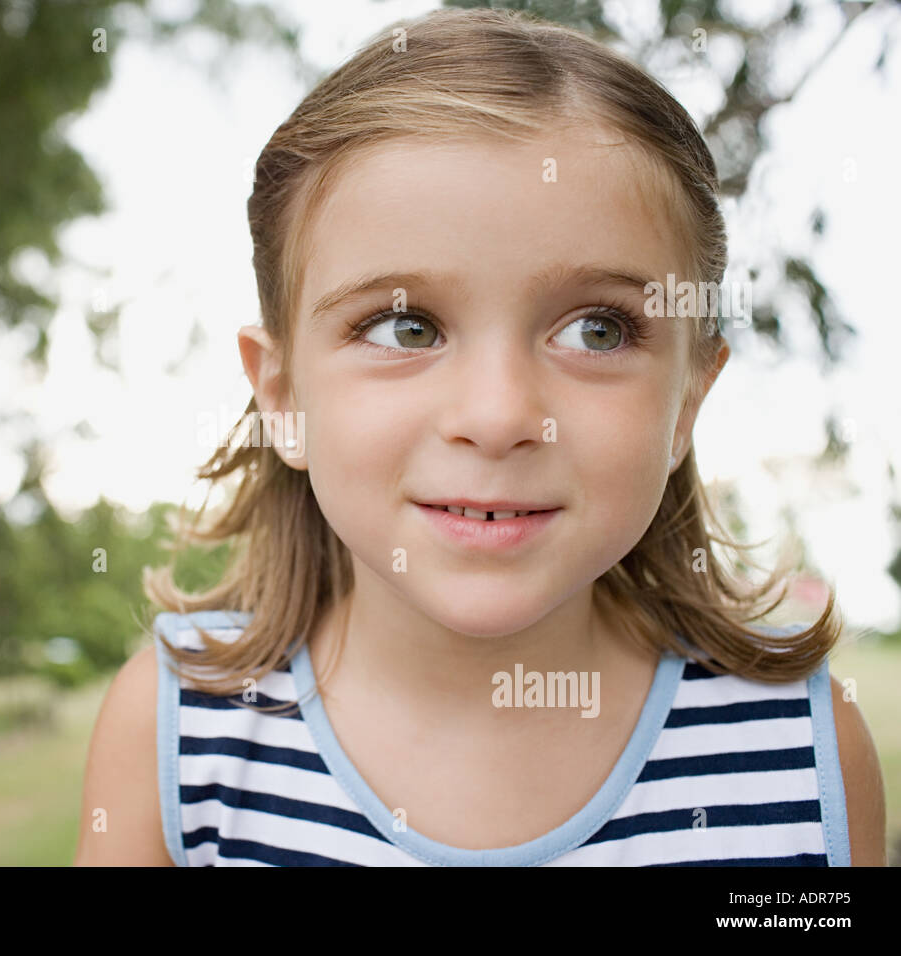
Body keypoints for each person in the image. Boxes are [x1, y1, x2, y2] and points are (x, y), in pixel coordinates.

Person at [74, 7, 886, 866]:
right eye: (405, 328)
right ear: (282, 396)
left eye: (597, 331)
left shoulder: (799, 755)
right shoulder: (178, 730)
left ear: (687, 399)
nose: (499, 418)